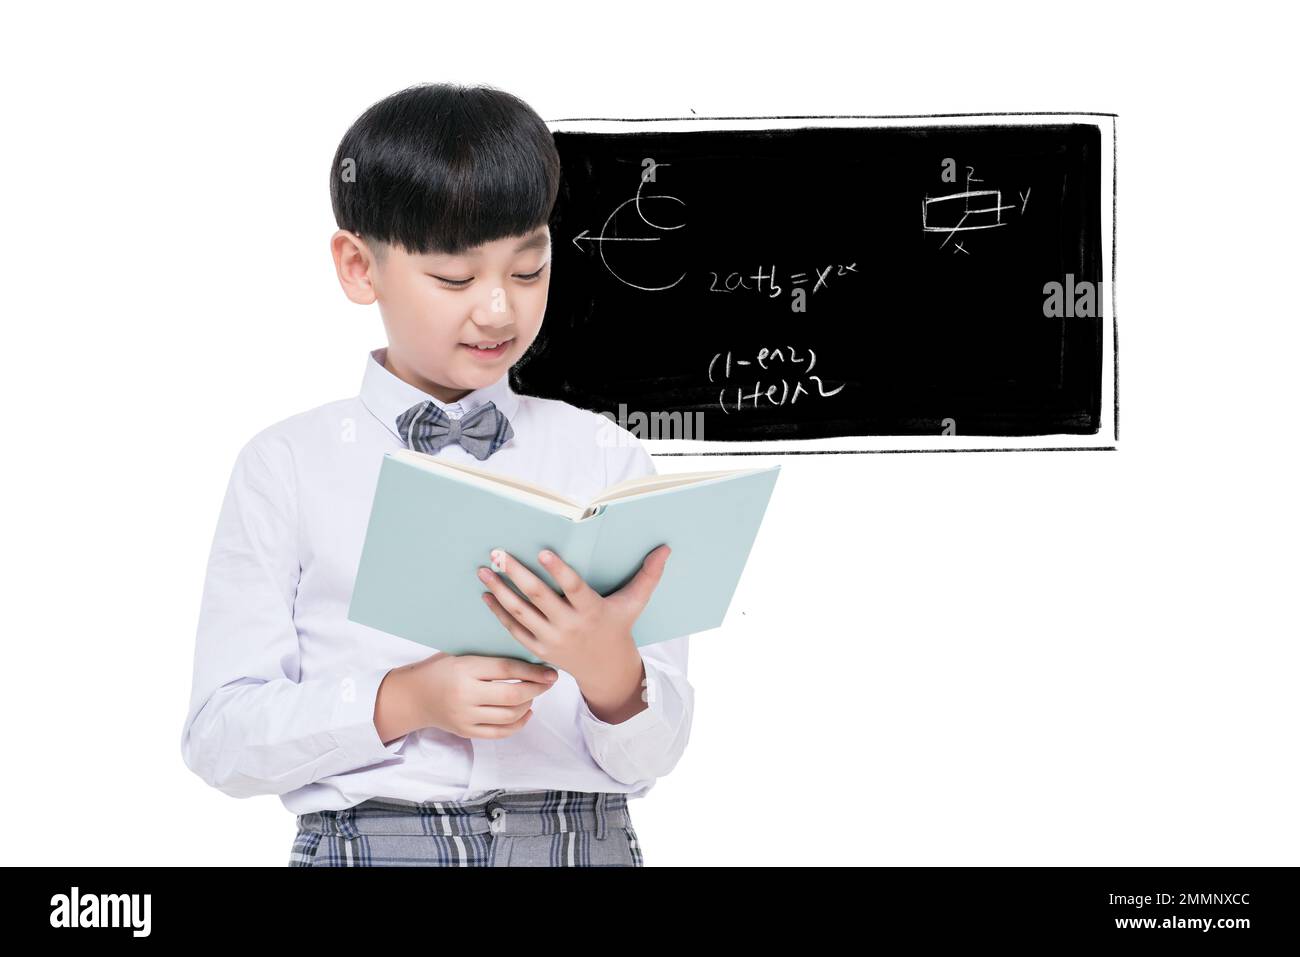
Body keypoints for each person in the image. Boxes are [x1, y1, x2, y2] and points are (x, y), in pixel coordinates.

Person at [180, 83, 694, 867]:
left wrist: (608, 672)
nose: (497, 311)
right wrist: (402, 699)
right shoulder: (286, 465)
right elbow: (220, 738)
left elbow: (651, 757)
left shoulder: (605, 457)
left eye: (528, 271)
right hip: (372, 844)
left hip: (581, 843)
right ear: (359, 266)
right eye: (455, 280)